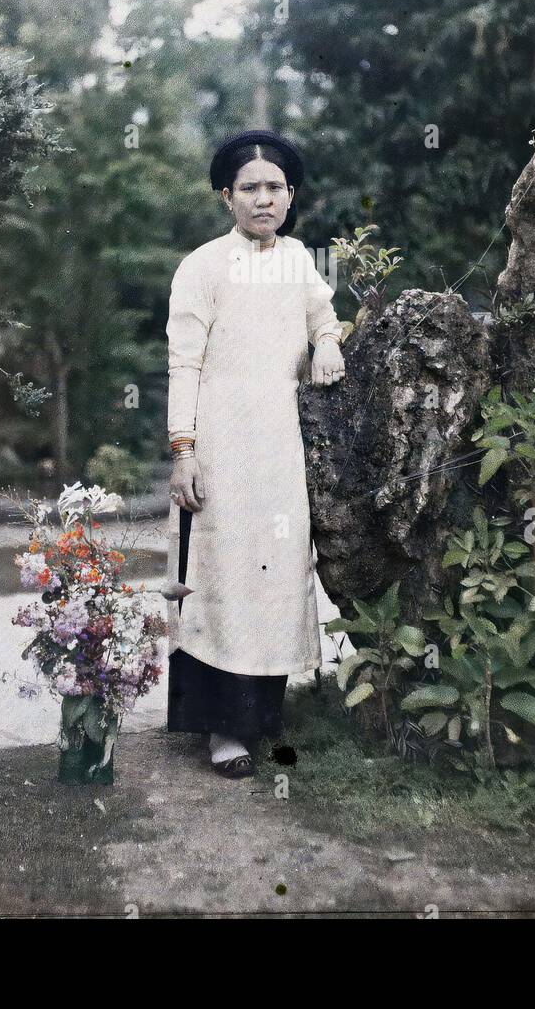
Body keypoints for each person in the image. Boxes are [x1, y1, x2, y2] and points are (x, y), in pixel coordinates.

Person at [164, 129, 346, 777]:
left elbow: (323, 318)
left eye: (275, 188)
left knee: (275, 573)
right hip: (220, 444)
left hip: (281, 448)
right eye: (250, 188)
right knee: (222, 577)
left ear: (290, 195)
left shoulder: (299, 260)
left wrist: (326, 342)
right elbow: (183, 363)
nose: (263, 199)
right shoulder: (203, 266)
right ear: (226, 197)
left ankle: (263, 717)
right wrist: (183, 452)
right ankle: (221, 730)